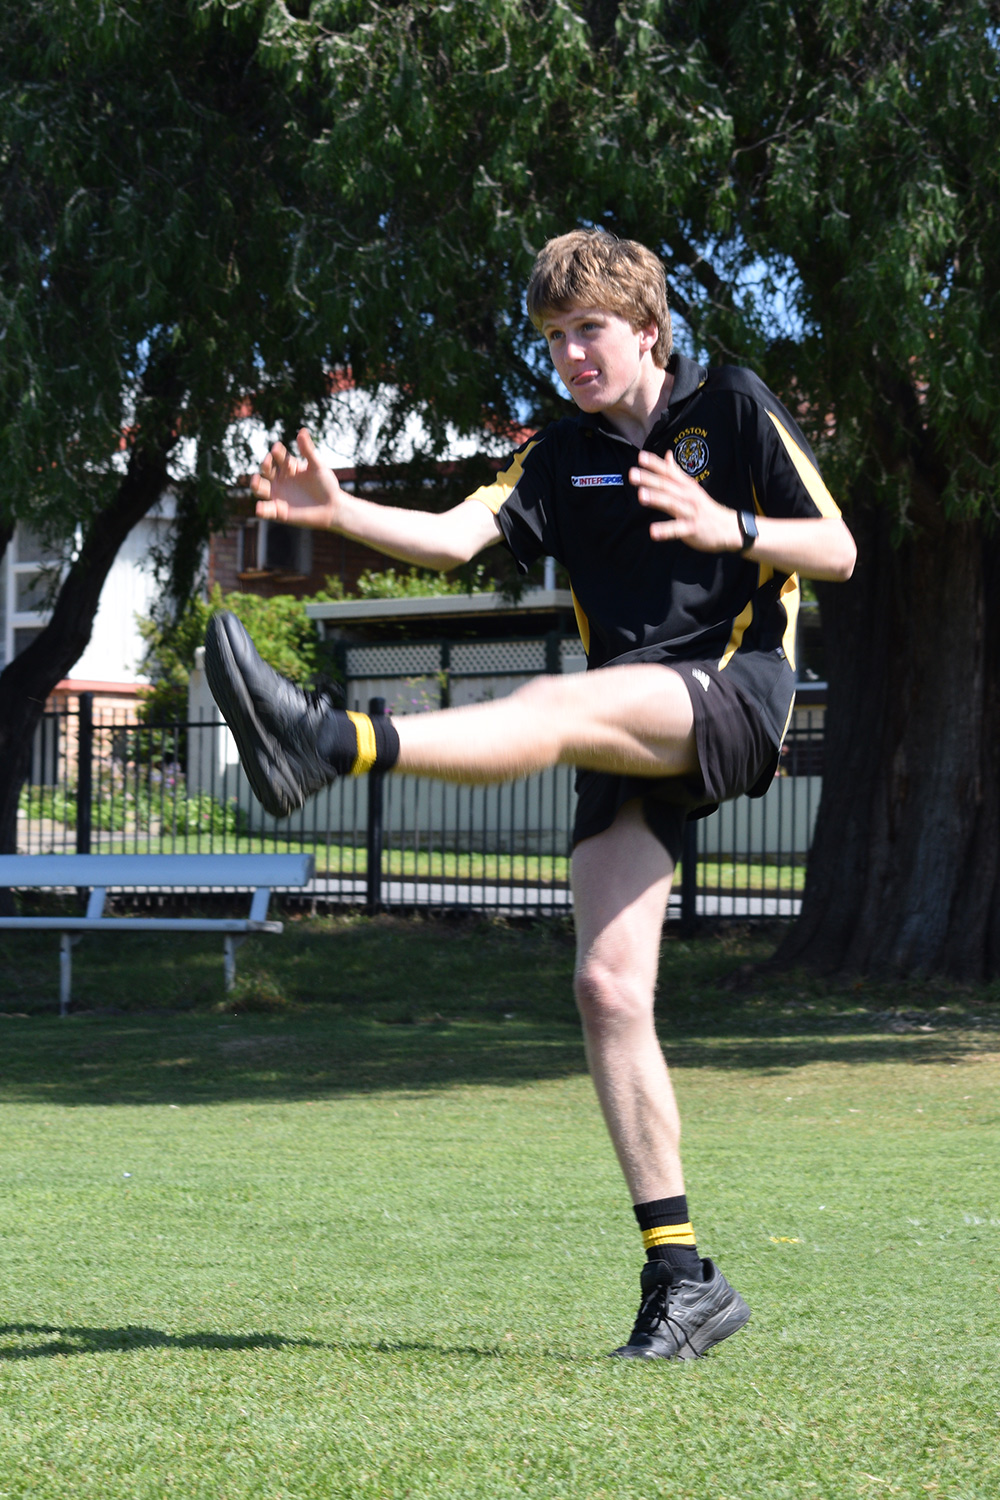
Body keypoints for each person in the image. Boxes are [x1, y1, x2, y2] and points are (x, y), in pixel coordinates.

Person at [206, 229, 856, 1360]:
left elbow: (838, 547)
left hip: (732, 692)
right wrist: (338, 511)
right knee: (606, 988)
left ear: (646, 328)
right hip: (631, 712)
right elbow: (461, 535)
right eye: (553, 339)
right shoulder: (559, 453)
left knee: (564, 704)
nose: (570, 355)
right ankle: (683, 1278)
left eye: (587, 332)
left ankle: (333, 741)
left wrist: (728, 527)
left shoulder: (733, 407)